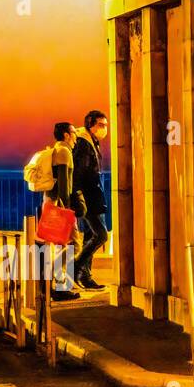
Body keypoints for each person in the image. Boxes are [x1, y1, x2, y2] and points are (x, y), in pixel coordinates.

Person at [72, 109, 110, 291]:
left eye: (106, 125)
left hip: (92, 196)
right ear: (90, 125)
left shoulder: (91, 141)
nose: (104, 129)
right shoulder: (84, 143)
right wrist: (79, 197)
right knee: (101, 235)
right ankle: (76, 266)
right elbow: (80, 173)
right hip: (89, 197)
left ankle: (85, 276)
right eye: (101, 125)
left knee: (90, 235)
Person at [47, 121, 80, 301]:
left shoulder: (56, 149)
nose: (75, 136)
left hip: (52, 204)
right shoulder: (64, 152)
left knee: (61, 246)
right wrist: (68, 212)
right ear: (66, 135)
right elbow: (64, 185)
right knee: (72, 244)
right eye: (73, 133)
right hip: (60, 206)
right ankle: (53, 282)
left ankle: (56, 285)